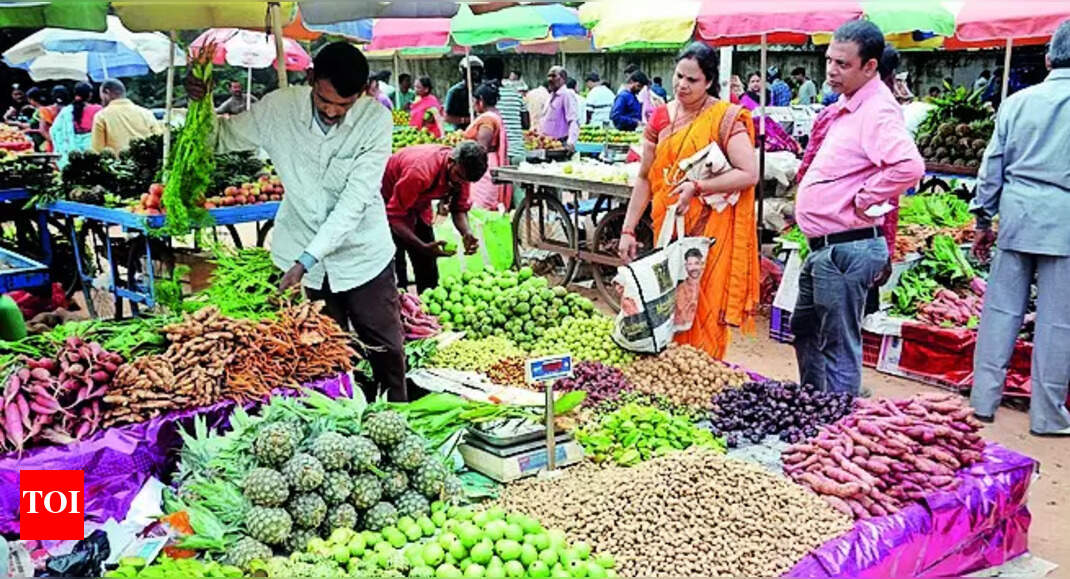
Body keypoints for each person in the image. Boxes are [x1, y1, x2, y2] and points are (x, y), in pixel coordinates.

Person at [185, 42, 407, 402]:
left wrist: (308, 259)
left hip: (362, 255)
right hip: (298, 248)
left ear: (364, 93)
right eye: (325, 101)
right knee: (323, 354)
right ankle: (339, 428)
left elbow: (355, 201)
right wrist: (201, 103)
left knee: (387, 349)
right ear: (310, 79)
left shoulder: (375, 120)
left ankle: (399, 416)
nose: (333, 112)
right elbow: (218, 140)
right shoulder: (278, 108)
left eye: (344, 105)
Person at [791, 21, 924, 396]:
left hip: (847, 246)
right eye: (829, 60)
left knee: (836, 346)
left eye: (843, 64)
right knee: (805, 330)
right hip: (827, 246)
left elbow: (909, 166)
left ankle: (838, 423)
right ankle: (816, 406)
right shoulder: (848, 105)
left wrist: (865, 197)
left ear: (870, 67)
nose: (832, 70)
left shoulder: (877, 111)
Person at [617, 42, 760, 360]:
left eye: (692, 80)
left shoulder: (725, 118)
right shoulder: (660, 118)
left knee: (702, 304)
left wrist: (698, 186)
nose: (682, 85)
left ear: (709, 81)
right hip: (668, 228)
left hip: (709, 234)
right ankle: (671, 372)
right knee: (667, 304)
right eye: (679, 76)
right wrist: (627, 230)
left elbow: (749, 173)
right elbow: (645, 176)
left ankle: (701, 373)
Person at [969, 20, 1070, 437]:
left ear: (1048, 58)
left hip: (1017, 211)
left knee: (999, 312)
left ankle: (983, 400)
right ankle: (1047, 415)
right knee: (1057, 322)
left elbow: (992, 165)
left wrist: (982, 218)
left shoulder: (1018, 102)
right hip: (1064, 218)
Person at [382, 141, 486, 294]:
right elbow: (395, 216)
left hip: (419, 206)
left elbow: (459, 208)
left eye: (466, 181)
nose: (461, 183)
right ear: (451, 162)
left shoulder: (463, 173)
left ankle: (426, 309)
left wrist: (467, 233)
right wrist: (421, 245)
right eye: (459, 177)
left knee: (428, 270)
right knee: (396, 267)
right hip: (389, 204)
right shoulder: (420, 172)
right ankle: (400, 308)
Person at [464, 83, 509, 210]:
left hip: (483, 165)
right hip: (489, 162)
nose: (473, 105)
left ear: (481, 101)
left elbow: (481, 148)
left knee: (481, 207)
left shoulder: (487, 120)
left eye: (474, 101)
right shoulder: (495, 115)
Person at [90, 79, 162, 155]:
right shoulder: (146, 113)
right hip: (148, 162)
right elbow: (159, 138)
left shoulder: (101, 116)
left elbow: (97, 150)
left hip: (117, 164)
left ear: (107, 92)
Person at [50, 82, 102, 168]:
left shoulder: (66, 111)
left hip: (72, 147)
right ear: (90, 94)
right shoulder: (97, 109)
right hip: (91, 145)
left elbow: (55, 130)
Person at [483, 57, 524, 166]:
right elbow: (526, 123)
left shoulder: (484, 96)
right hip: (518, 151)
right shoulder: (515, 92)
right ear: (503, 72)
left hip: (496, 155)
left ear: (484, 72)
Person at [539, 66, 579, 148]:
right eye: (548, 76)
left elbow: (573, 120)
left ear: (563, 79)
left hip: (561, 143)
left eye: (554, 76)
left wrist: (571, 142)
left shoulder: (567, 95)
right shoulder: (551, 96)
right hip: (548, 143)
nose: (550, 79)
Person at [444, 55, 484, 130]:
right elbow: (447, 117)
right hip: (462, 132)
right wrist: (467, 119)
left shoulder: (483, 89)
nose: (475, 74)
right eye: (471, 70)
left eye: (477, 71)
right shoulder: (455, 92)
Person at [674, 248, 704, 329]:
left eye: (696, 263)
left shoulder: (707, 285)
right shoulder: (681, 290)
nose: (694, 267)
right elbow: (684, 319)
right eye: (690, 264)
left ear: (702, 264)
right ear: (686, 266)